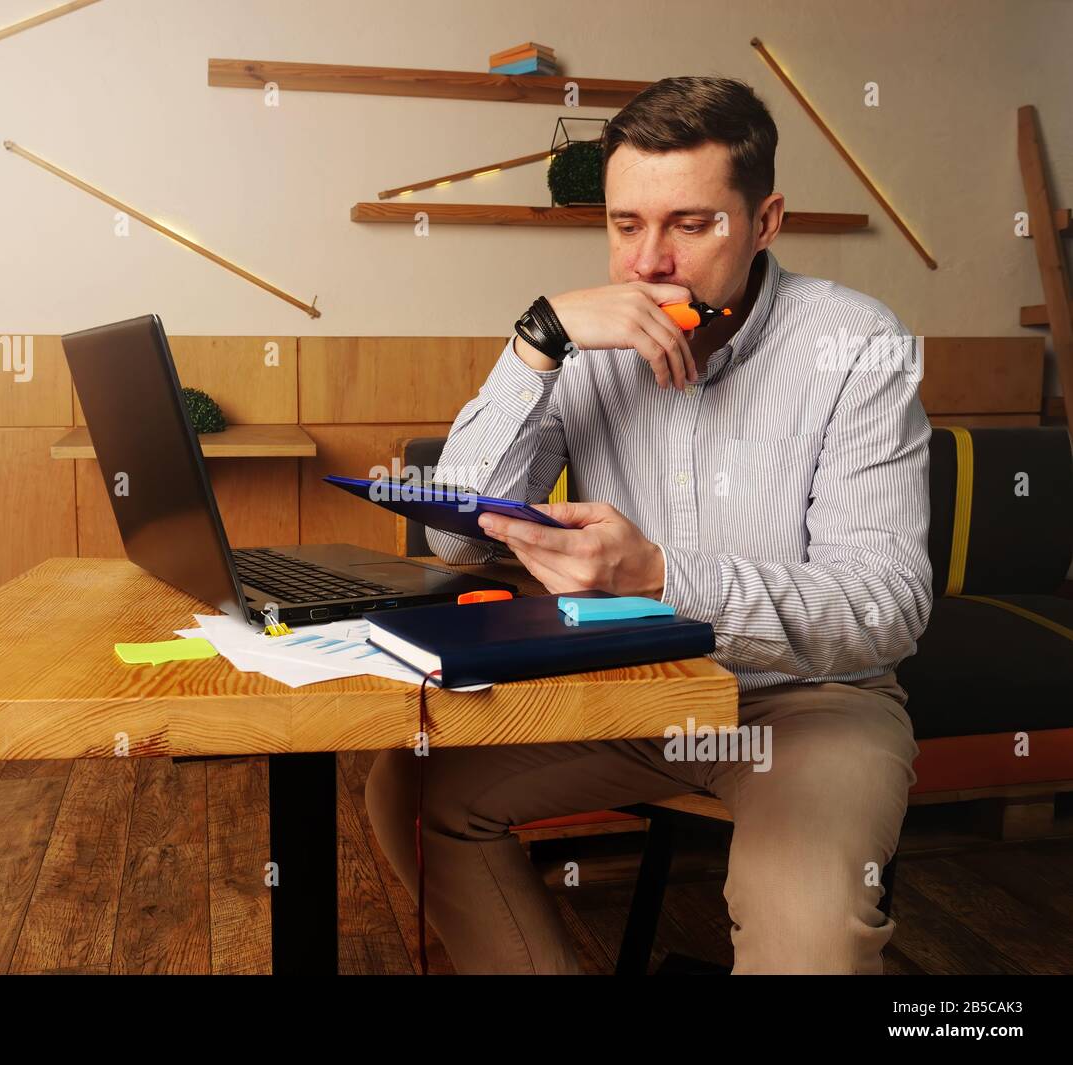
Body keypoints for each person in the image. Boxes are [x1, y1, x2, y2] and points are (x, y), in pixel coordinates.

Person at [365, 75, 932, 974]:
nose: (648, 263)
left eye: (691, 224)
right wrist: (537, 339)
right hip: (631, 692)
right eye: (626, 225)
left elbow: (886, 605)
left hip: (812, 702)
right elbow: (456, 538)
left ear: (767, 221)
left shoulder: (857, 345)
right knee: (411, 787)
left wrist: (660, 574)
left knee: (811, 928)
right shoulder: (581, 340)